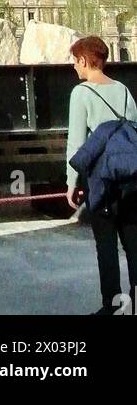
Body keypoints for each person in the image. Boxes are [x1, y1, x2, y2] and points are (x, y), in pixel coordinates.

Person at [66, 34, 137, 315]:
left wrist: (71, 182)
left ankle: (113, 306)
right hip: (131, 178)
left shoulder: (81, 93)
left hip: (101, 180)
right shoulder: (124, 90)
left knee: (105, 246)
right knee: (134, 245)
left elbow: (76, 141)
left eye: (75, 61)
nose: (73, 67)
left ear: (85, 60)